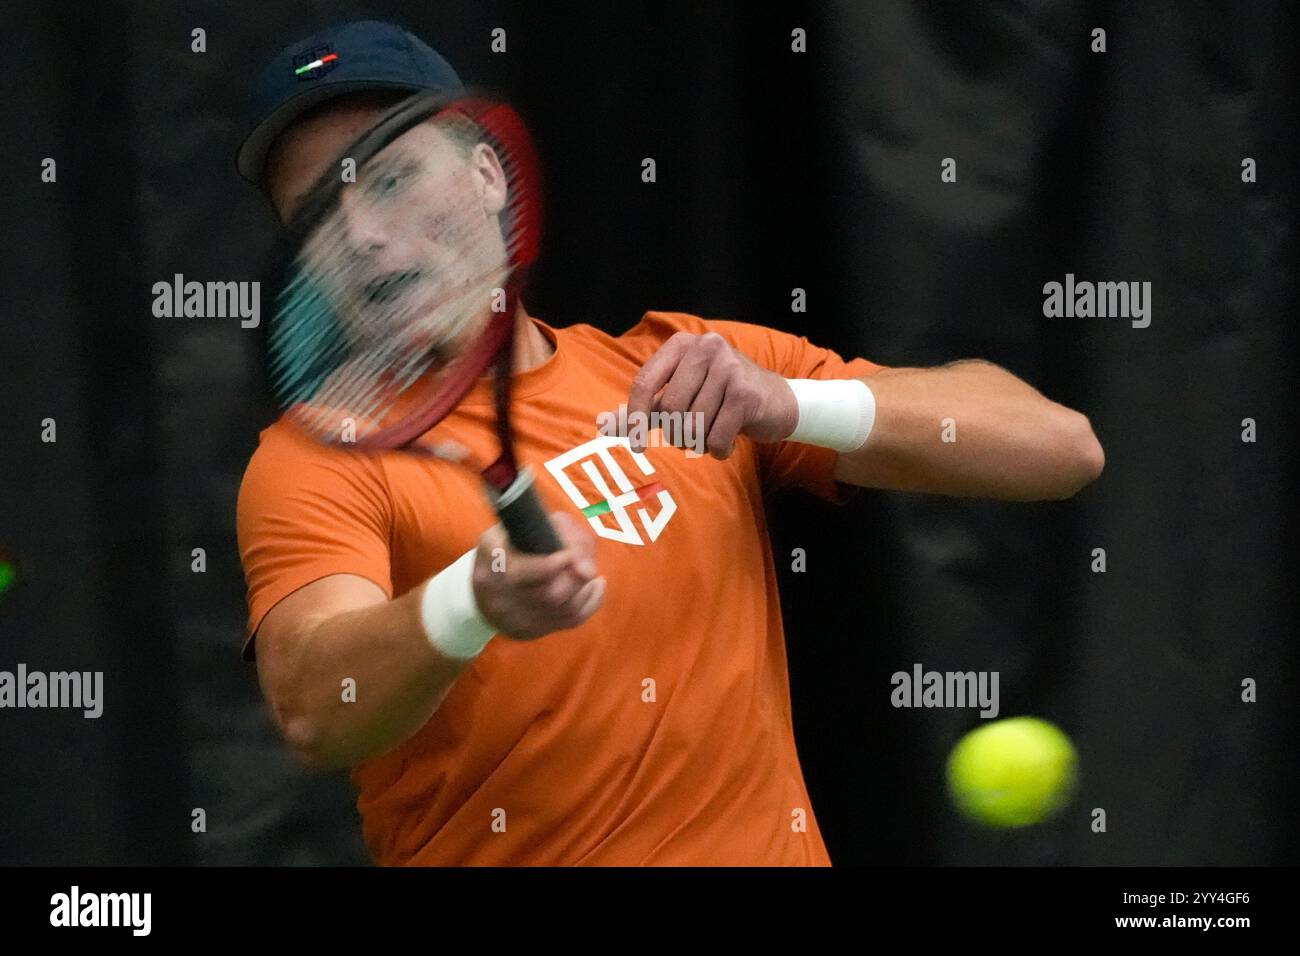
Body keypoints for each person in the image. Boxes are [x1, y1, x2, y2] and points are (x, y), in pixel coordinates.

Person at [235, 19, 1104, 866]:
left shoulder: (678, 365)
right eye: (317, 212)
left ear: (488, 177)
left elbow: (1061, 449)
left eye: (388, 180)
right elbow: (315, 706)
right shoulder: (317, 462)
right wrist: (472, 601)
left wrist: (789, 403)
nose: (364, 235)